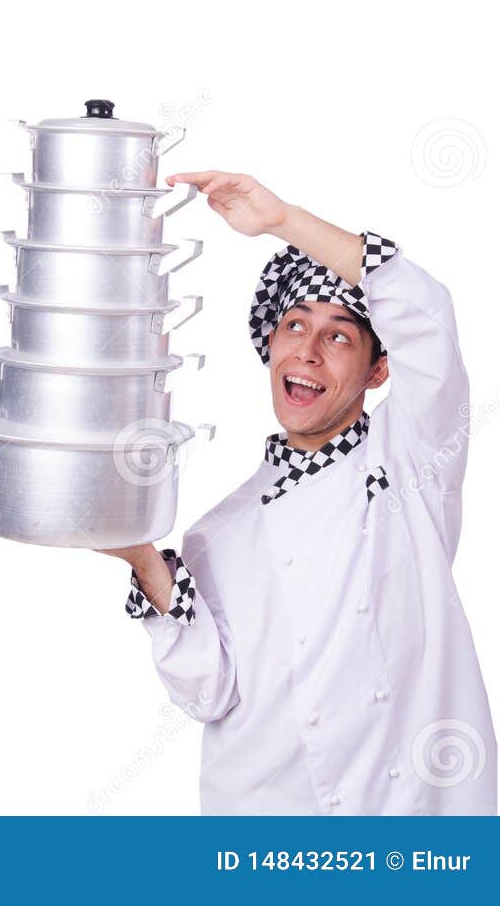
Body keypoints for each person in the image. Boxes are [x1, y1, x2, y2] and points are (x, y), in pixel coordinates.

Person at [100, 169, 495, 814]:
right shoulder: (217, 530)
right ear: (270, 345)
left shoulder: (413, 461)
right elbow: (209, 694)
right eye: (294, 326)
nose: (307, 351)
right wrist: (145, 560)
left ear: (379, 367)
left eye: (338, 334)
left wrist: (281, 221)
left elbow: (429, 315)